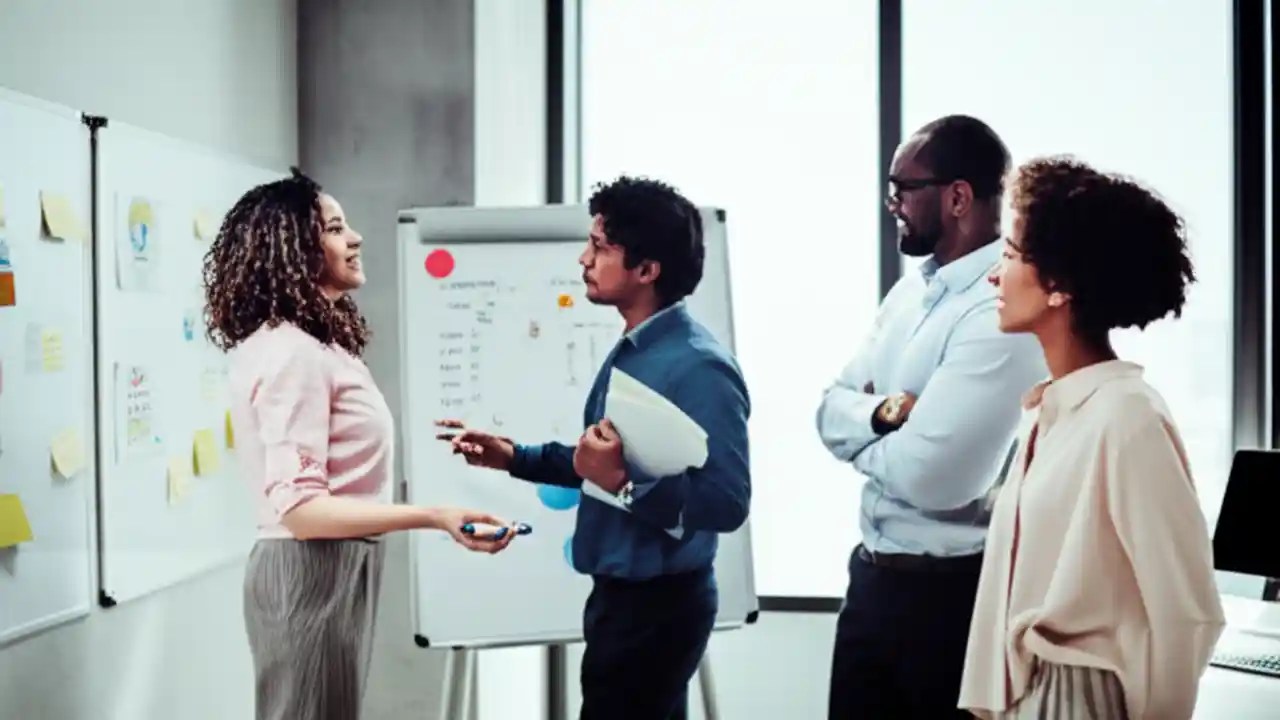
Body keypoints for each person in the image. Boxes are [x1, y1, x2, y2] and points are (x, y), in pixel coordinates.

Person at [203, 169, 521, 720]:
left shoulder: (316, 344)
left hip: (336, 563)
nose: (354, 238)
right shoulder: (291, 353)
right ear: (296, 250)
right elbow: (301, 511)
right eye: (334, 228)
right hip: (310, 565)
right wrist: (436, 515)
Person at [436, 175, 751, 720]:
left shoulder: (699, 365)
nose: (584, 259)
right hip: (622, 602)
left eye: (601, 248)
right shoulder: (633, 348)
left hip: (658, 606)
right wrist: (511, 456)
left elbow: (727, 501)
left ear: (647, 270)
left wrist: (625, 485)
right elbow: (595, 464)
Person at [960, 156, 1226, 719]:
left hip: (1081, 702)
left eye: (1009, 256)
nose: (993, 274)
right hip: (1029, 696)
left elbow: (1186, 610)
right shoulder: (1045, 413)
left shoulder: (1127, 418)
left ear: (1057, 284)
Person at [815, 115, 1047, 718]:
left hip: (945, 602)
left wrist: (861, 437)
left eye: (901, 186)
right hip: (871, 582)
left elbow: (936, 479)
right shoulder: (909, 293)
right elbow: (827, 409)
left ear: (958, 196)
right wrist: (891, 415)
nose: (891, 202)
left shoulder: (1000, 310)